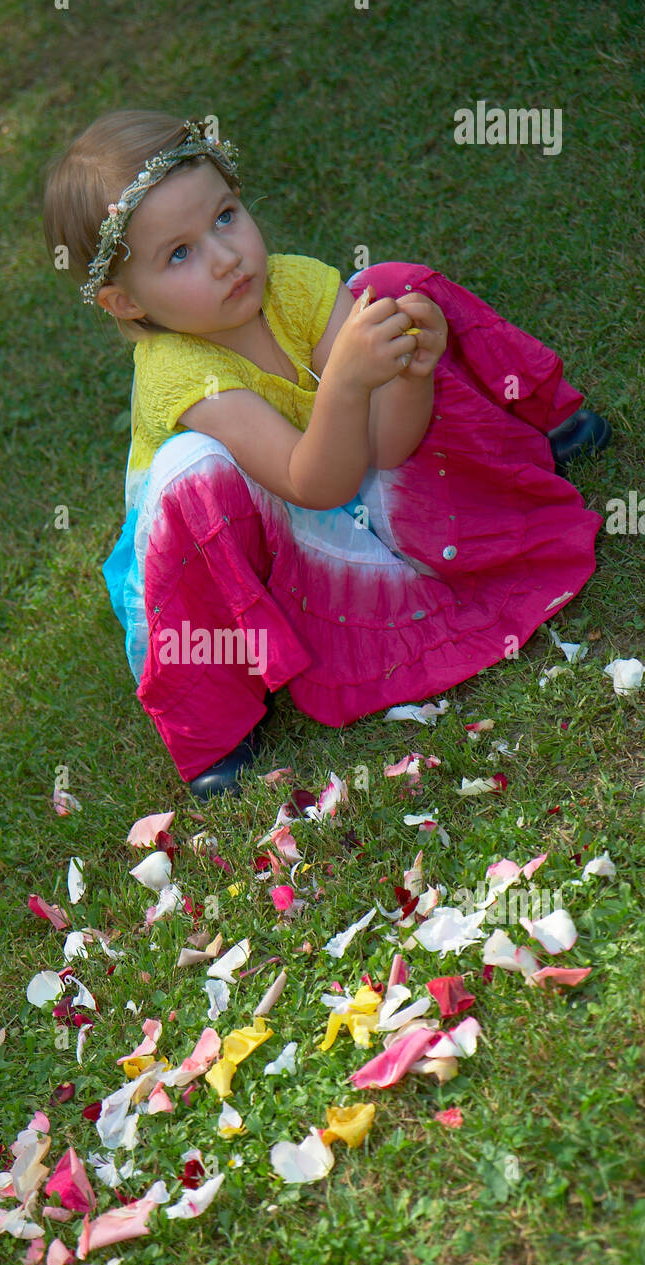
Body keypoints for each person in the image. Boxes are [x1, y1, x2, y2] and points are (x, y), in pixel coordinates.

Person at [42, 109, 611, 800]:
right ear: (125, 302)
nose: (225, 256)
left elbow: (385, 447)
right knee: (192, 471)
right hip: (232, 551)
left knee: (395, 291)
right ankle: (216, 726)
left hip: (335, 483)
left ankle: (533, 431)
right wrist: (346, 378)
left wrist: (407, 370)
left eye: (225, 216)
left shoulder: (296, 287)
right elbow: (313, 481)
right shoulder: (179, 372)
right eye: (180, 254)